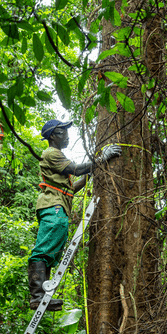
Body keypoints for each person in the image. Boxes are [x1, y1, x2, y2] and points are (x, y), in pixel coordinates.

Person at [28, 119, 122, 311]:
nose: (67, 136)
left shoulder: (57, 157)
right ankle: (37, 295)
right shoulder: (52, 153)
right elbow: (77, 169)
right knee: (44, 250)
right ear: (53, 136)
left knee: (49, 252)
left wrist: (91, 173)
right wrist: (101, 159)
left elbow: (72, 187)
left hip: (58, 205)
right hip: (53, 206)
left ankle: (41, 295)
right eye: (63, 132)